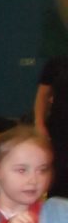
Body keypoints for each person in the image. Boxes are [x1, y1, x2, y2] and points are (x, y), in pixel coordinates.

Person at [33, 55, 68, 198]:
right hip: (60, 130)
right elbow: (42, 95)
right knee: (59, 175)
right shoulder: (56, 64)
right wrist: (39, 123)